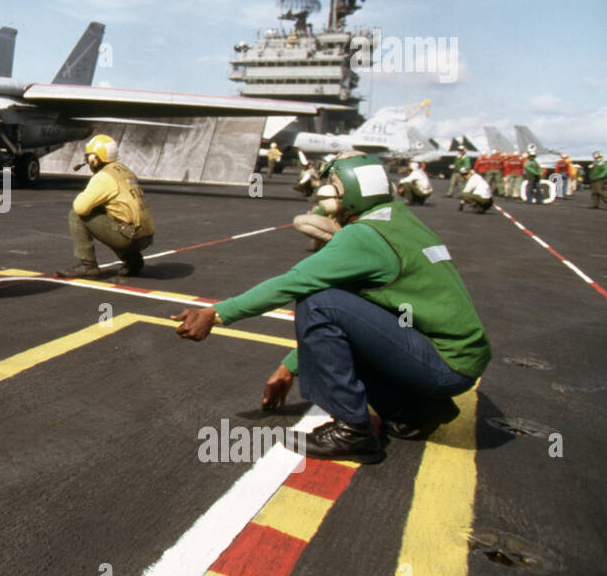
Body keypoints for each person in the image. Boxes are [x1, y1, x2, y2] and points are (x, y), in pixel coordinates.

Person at [172, 152, 491, 462]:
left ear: (349, 193)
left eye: (335, 186)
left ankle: (353, 431)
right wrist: (289, 366)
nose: (329, 193)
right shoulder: (399, 218)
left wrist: (215, 314)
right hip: (451, 358)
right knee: (340, 307)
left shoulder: (363, 236)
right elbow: (361, 310)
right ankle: (415, 412)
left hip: (442, 365)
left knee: (318, 302)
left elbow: (292, 283)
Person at [57, 134, 154, 278]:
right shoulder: (125, 171)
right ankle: (133, 260)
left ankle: (88, 266)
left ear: (94, 158)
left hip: (129, 236)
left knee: (76, 215)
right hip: (146, 236)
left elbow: (80, 207)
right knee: (113, 213)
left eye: (89, 156)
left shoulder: (103, 177)